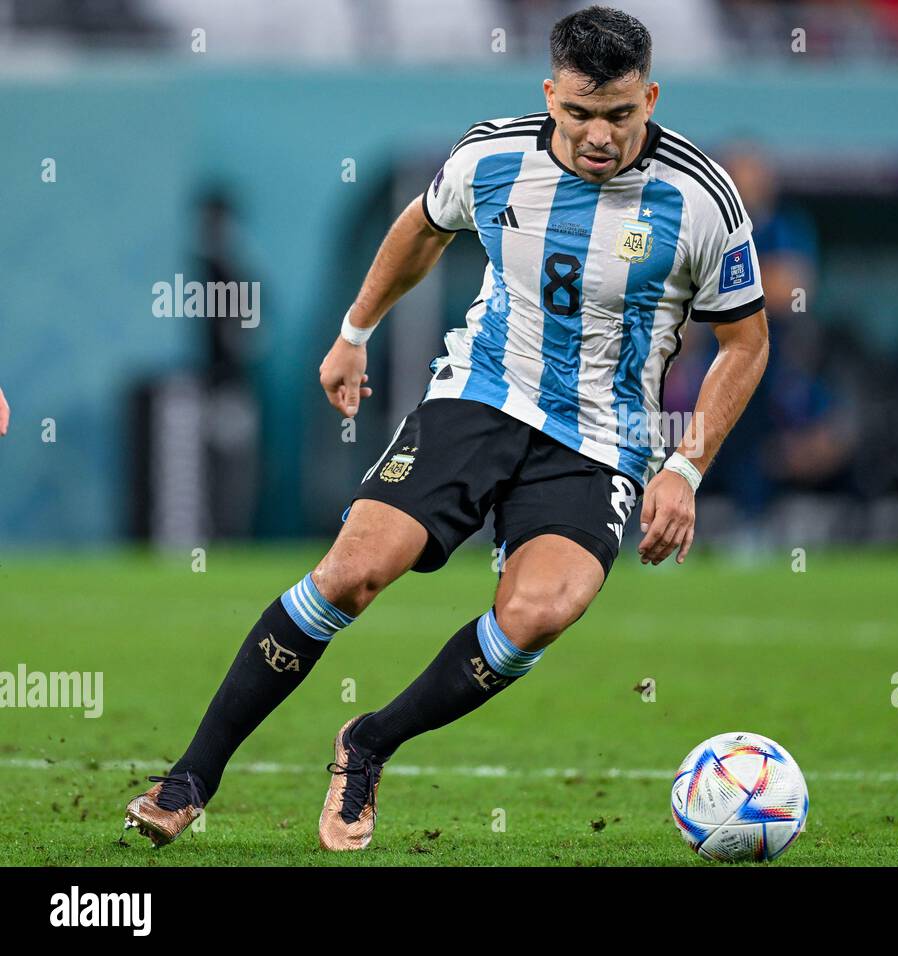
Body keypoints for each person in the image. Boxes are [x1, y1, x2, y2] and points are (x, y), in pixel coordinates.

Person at [123, 5, 769, 851]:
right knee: (351, 575)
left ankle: (367, 745)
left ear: (650, 98)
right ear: (550, 95)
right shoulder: (492, 156)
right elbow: (421, 230)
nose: (599, 136)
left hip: (602, 438)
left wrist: (685, 465)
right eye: (578, 114)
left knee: (539, 613)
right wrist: (355, 333)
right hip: (481, 395)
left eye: (619, 115)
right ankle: (190, 779)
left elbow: (747, 341)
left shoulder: (702, 198)